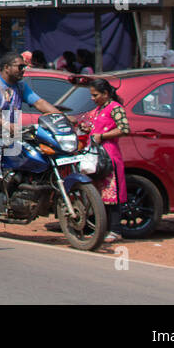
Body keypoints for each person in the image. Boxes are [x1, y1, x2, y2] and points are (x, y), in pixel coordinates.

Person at [0, 51, 63, 237]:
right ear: (7, 67)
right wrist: (5, 124)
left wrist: (62, 117)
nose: (23, 69)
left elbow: (40, 103)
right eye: (20, 66)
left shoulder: (20, 86)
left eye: (24, 66)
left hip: (11, 135)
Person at [77, 78, 130, 245]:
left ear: (106, 94)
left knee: (111, 194)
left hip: (109, 156)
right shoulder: (99, 110)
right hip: (96, 156)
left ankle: (115, 230)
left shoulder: (116, 109)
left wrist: (102, 136)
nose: (92, 98)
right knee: (99, 194)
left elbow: (124, 129)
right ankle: (101, 229)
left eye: (95, 95)